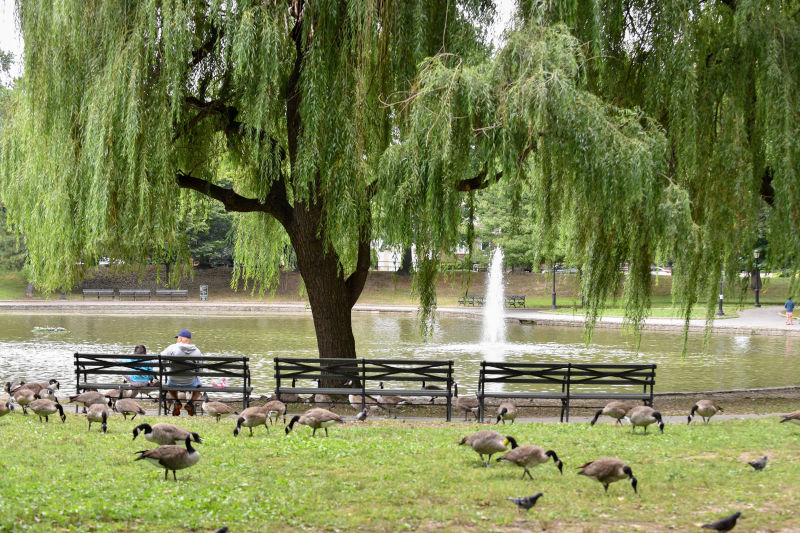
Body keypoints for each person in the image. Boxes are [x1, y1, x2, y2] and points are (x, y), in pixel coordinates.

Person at [161, 329, 204, 416]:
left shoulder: (172, 348)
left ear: (180, 339)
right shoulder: (197, 351)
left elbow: (161, 361)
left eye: (177, 338)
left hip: (174, 381)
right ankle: (190, 403)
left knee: (169, 384)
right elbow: (200, 371)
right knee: (199, 387)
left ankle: (177, 401)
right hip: (190, 382)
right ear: (189, 340)